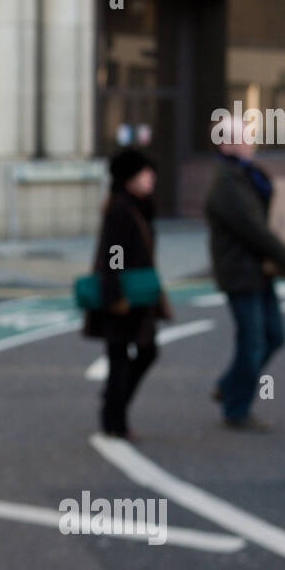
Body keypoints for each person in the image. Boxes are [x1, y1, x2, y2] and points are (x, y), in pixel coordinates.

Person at [205, 113, 285, 430]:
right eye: (243, 138)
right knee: (253, 343)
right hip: (241, 273)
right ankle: (236, 409)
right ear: (226, 144)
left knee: (274, 336)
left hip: (259, 271)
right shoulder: (227, 182)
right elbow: (255, 230)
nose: (250, 143)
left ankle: (229, 385)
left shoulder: (246, 174)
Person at [84, 148, 171, 439]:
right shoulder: (121, 208)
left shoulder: (138, 205)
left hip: (136, 294)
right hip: (122, 297)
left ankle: (113, 410)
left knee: (135, 354)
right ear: (130, 177)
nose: (152, 177)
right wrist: (116, 296)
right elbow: (112, 255)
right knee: (130, 355)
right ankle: (114, 419)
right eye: (145, 173)